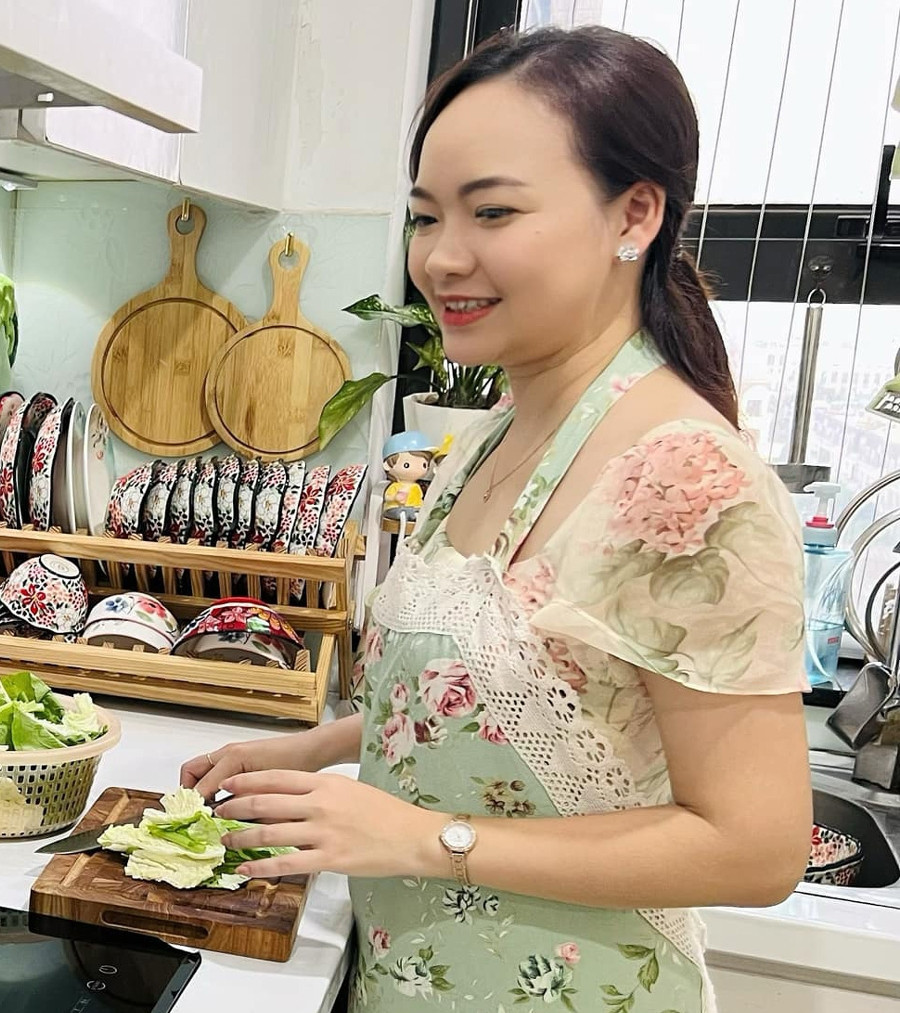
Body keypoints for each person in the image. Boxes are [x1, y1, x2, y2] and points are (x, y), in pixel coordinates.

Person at [179, 26, 810, 1012]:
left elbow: (757, 846)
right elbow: (511, 689)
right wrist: (315, 749)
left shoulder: (690, 477)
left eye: (494, 211)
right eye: (426, 216)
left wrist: (425, 839)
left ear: (633, 213)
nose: (441, 257)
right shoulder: (490, 434)